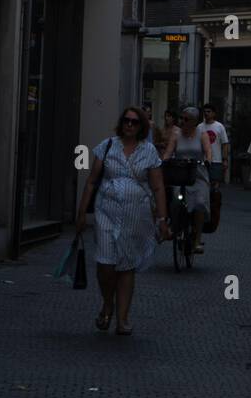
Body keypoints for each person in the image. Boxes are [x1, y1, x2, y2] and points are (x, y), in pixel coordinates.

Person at [75, 105, 170, 335]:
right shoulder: (107, 146)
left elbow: (158, 187)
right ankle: (108, 303)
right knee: (106, 263)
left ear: (141, 126)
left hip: (135, 216)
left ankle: (122, 318)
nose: (129, 125)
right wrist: (80, 214)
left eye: (134, 122)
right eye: (126, 120)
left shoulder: (149, 152)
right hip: (106, 213)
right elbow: (91, 181)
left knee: (126, 265)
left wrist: (163, 219)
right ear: (121, 123)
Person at [163, 107, 212, 254]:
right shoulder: (176, 135)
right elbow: (168, 152)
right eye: (181, 118)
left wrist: (208, 160)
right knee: (176, 200)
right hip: (180, 174)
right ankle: (175, 227)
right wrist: (164, 160)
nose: (182, 122)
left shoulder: (202, 135)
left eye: (186, 119)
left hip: (198, 175)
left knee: (200, 202)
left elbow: (208, 151)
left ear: (194, 122)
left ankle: (197, 240)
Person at [197, 103, 229, 187]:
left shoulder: (219, 126)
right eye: (205, 112)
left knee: (215, 183)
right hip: (203, 160)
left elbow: (225, 144)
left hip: (216, 160)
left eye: (209, 111)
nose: (206, 113)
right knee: (203, 183)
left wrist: (225, 159)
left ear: (214, 113)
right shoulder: (200, 127)